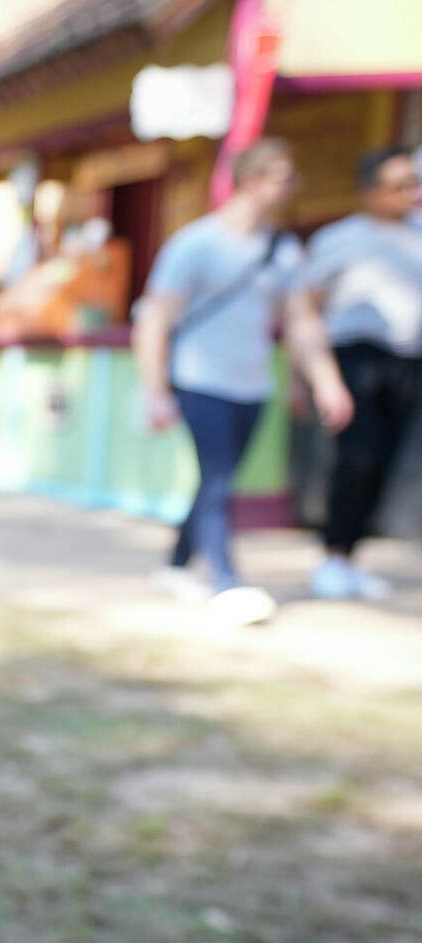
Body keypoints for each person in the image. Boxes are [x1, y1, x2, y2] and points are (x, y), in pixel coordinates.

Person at [132, 138, 353, 625]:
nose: (292, 187)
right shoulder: (196, 244)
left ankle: (175, 566)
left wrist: (323, 381)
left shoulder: (283, 250)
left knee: (217, 476)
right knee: (219, 478)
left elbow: (301, 323)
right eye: (284, 177)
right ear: (252, 181)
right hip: (198, 379)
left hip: (251, 384)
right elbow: (155, 320)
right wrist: (156, 391)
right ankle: (226, 581)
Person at [297, 146, 422, 600]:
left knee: (385, 462)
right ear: (370, 191)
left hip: (407, 361)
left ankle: (352, 557)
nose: (411, 193)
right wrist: (308, 378)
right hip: (354, 359)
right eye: (400, 185)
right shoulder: (340, 239)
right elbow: (305, 312)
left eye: (414, 183)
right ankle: (332, 554)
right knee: (357, 458)